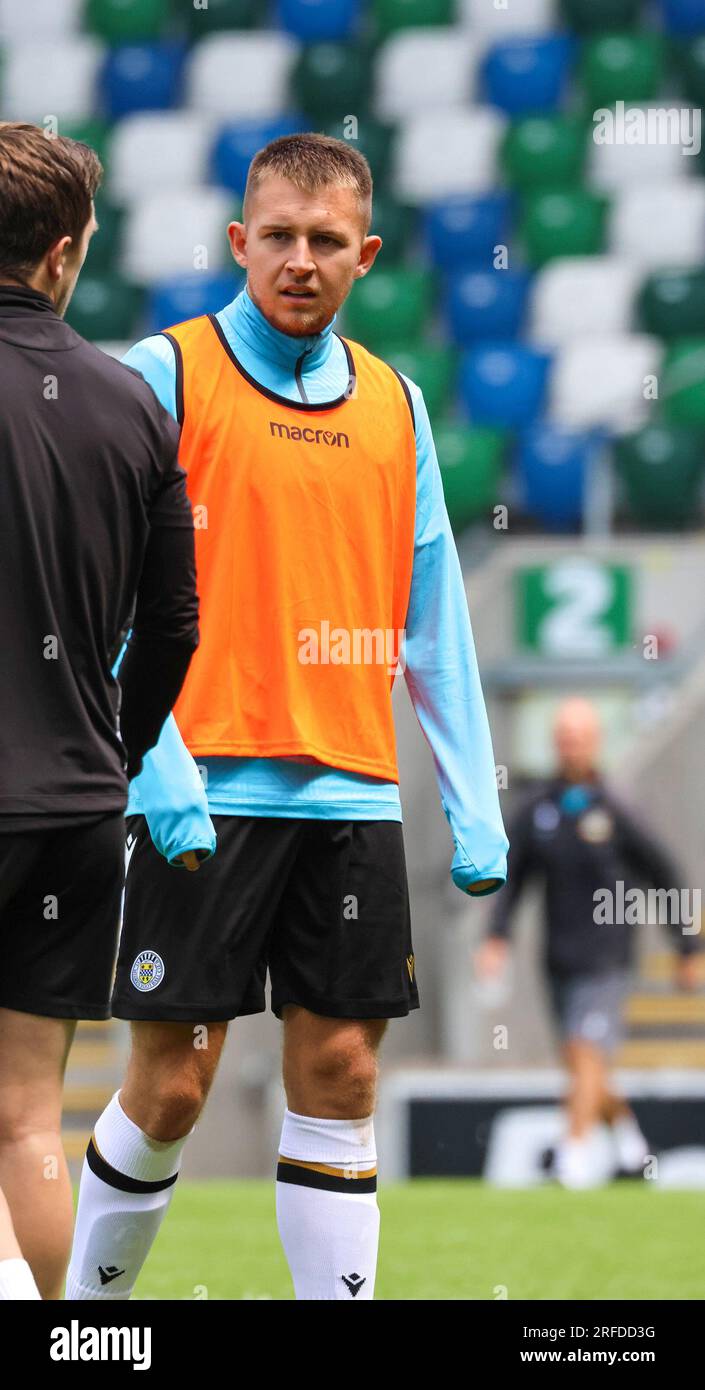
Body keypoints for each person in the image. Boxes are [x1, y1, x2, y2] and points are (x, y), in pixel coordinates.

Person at [66, 132, 508, 1303]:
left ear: (364, 255)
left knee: (345, 1073)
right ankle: (85, 1323)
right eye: (278, 238)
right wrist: (151, 756)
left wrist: (475, 798)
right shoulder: (162, 373)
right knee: (171, 1087)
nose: (299, 260)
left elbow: (436, 615)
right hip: (199, 787)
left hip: (354, 792)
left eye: (325, 242)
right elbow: (94, 590)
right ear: (238, 243)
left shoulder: (398, 404)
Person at [0, 123, 200, 1299]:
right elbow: (176, 625)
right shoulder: (131, 407)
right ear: (66, 254)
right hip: (76, 809)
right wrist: (111, 752)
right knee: (29, 1121)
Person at [476, 696, 699, 1189]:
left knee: (584, 1049)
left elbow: (665, 875)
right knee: (584, 1063)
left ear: (595, 742)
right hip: (558, 958)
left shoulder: (617, 809)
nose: (570, 746)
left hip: (608, 959)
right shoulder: (539, 810)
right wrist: (496, 937)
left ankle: (574, 1159)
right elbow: (512, 881)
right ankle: (630, 1141)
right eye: (563, 738)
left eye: (578, 737)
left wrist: (689, 947)